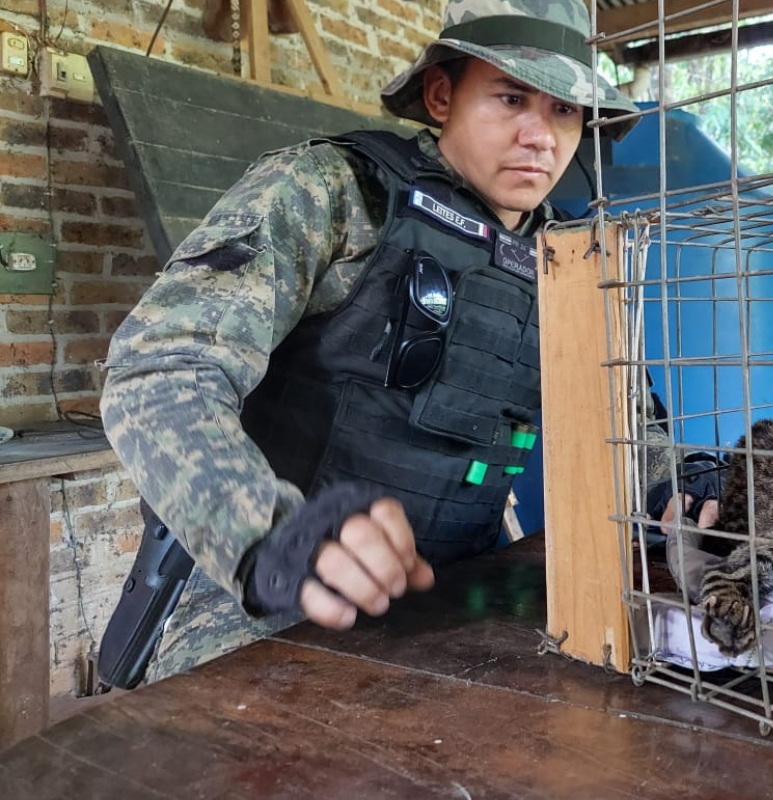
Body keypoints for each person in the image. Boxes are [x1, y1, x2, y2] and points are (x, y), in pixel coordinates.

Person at [98, 0, 643, 682]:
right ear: (442, 95)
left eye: (565, 111)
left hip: (459, 600)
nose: (542, 136)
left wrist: (681, 489)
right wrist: (274, 536)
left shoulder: (568, 258)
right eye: (511, 98)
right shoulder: (340, 189)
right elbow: (160, 371)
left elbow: (626, 425)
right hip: (276, 609)